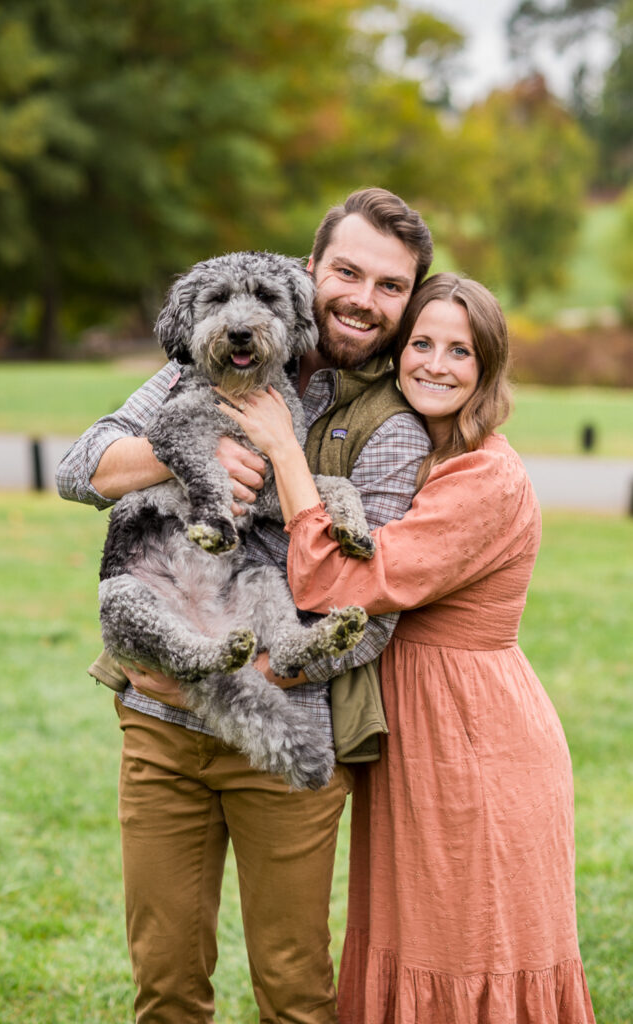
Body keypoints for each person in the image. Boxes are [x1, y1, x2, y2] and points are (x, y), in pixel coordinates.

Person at [56, 188, 435, 1023]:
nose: (362, 299)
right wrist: (181, 459)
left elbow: (372, 610)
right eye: (347, 272)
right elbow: (81, 466)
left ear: (409, 298)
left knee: (294, 994)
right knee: (165, 990)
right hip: (161, 731)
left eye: (389, 285)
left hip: (284, 726)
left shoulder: (397, 423)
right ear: (311, 269)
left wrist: (231, 677)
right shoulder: (205, 356)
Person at [218, 273, 597, 1023]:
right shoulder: (427, 452)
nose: (435, 364)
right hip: (415, 735)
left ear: (488, 367)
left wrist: (285, 455)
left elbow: (342, 581)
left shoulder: (485, 476)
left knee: (465, 946)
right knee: (411, 937)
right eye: (422, 343)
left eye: (460, 351)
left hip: (473, 741)